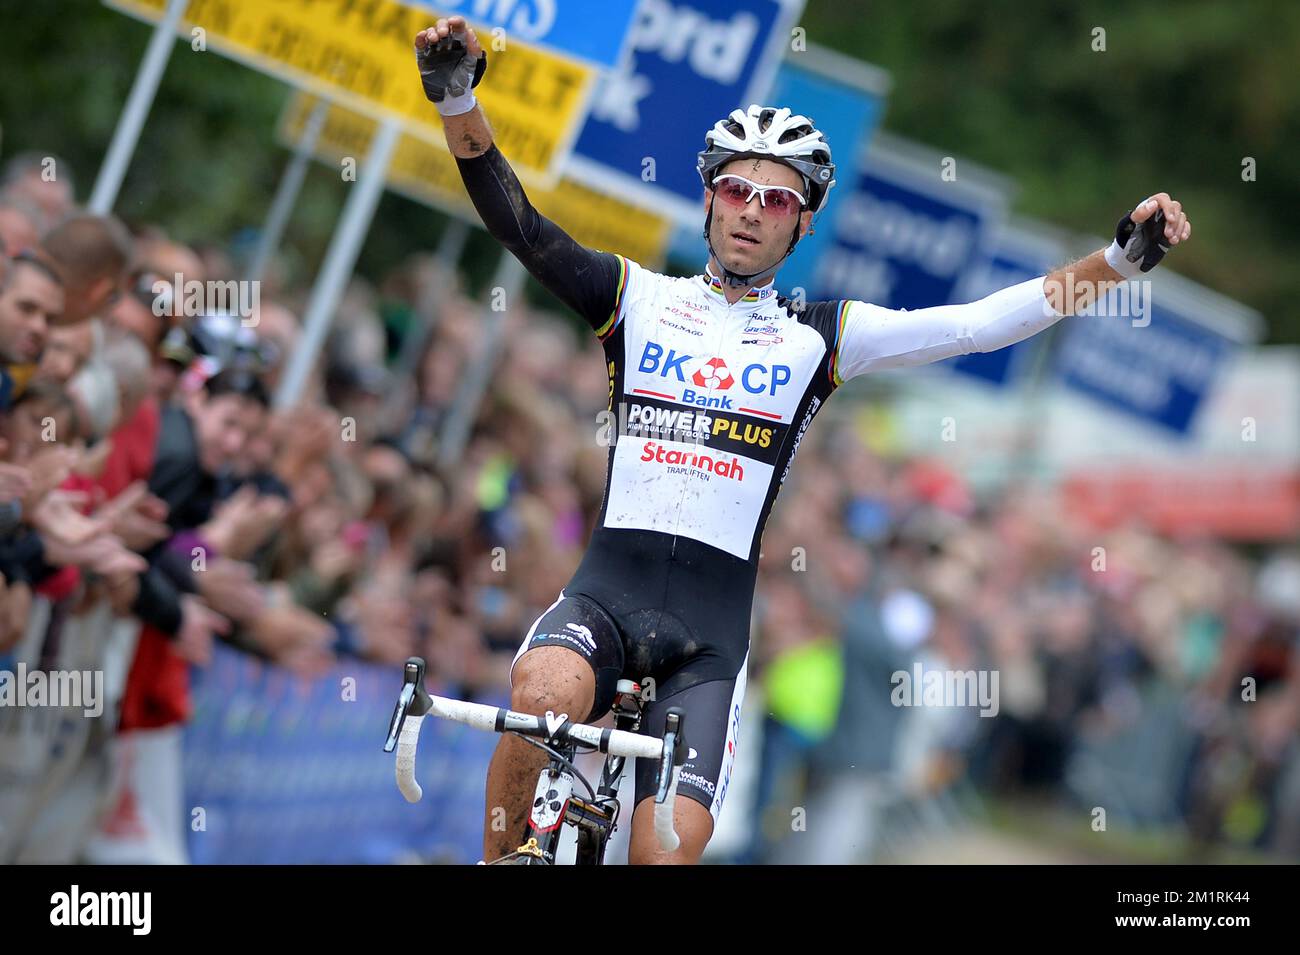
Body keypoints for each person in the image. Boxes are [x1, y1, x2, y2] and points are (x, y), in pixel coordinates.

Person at [411, 16, 1195, 865]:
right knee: (540, 693)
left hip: (705, 642)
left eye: (777, 199)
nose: (752, 212)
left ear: (803, 224)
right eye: (737, 191)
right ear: (709, 197)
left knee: (664, 851)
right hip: (602, 595)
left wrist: (1112, 264)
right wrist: (457, 95)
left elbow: (977, 325)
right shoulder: (634, 297)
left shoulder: (822, 335)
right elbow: (520, 225)